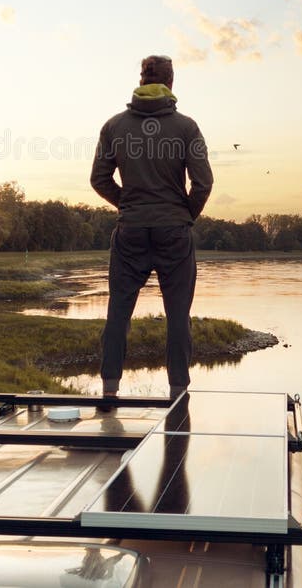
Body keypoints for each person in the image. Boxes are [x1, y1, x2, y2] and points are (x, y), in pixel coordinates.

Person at [90, 54, 213, 404]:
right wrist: (183, 214)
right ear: (171, 83)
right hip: (175, 232)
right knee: (177, 316)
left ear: (141, 81)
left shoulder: (114, 126)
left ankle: (110, 389)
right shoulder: (187, 128)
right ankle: (178, 393)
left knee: (118, 312)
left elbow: (99, 179)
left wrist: (127, 205)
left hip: (130, 232)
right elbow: (203, 183)